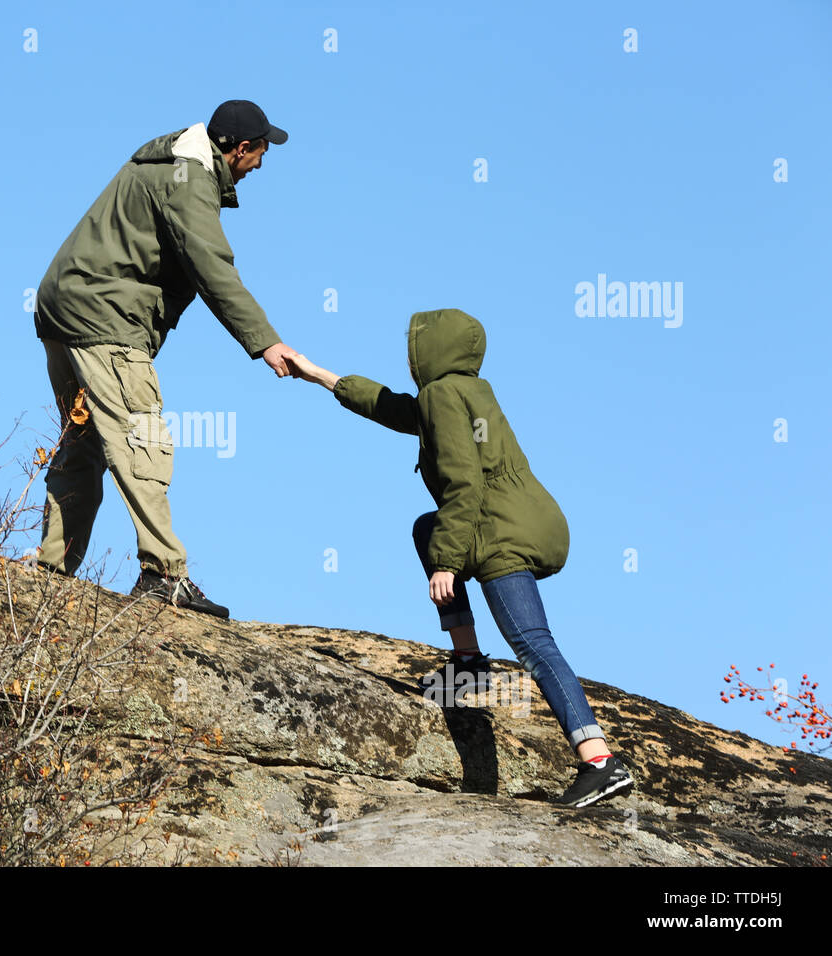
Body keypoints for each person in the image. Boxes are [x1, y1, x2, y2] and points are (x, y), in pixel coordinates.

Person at [285, 309, 634, 807]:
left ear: (428, 350)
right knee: (426, 528)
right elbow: (394, 409)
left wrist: (447, 563)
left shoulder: (442, 394)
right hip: (521, 518)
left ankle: (599, 761)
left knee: (533, 643)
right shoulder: (462, 391)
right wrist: (320, 374)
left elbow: (463, 483)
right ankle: (468, 661)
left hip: (500, 530)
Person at [33, 100, 297, 619]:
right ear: (240, 149)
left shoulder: (162, 162)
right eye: (261, 152)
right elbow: (212, 267)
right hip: (104, 321)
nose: (262, 164)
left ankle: (51, 568)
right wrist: (266, 342)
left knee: (83, 442)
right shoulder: (189, 178)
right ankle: (164, 573)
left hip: (63, 311)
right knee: (142, 440)